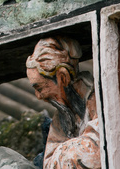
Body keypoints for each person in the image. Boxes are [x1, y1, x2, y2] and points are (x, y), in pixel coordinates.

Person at [25, 37, 101, 169]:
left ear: (62, 77)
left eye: (40, 88)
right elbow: (48, 161)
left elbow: (97, 151)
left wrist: (64, 151)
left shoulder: (97, 99)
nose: (38, 96)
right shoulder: (62, 115)